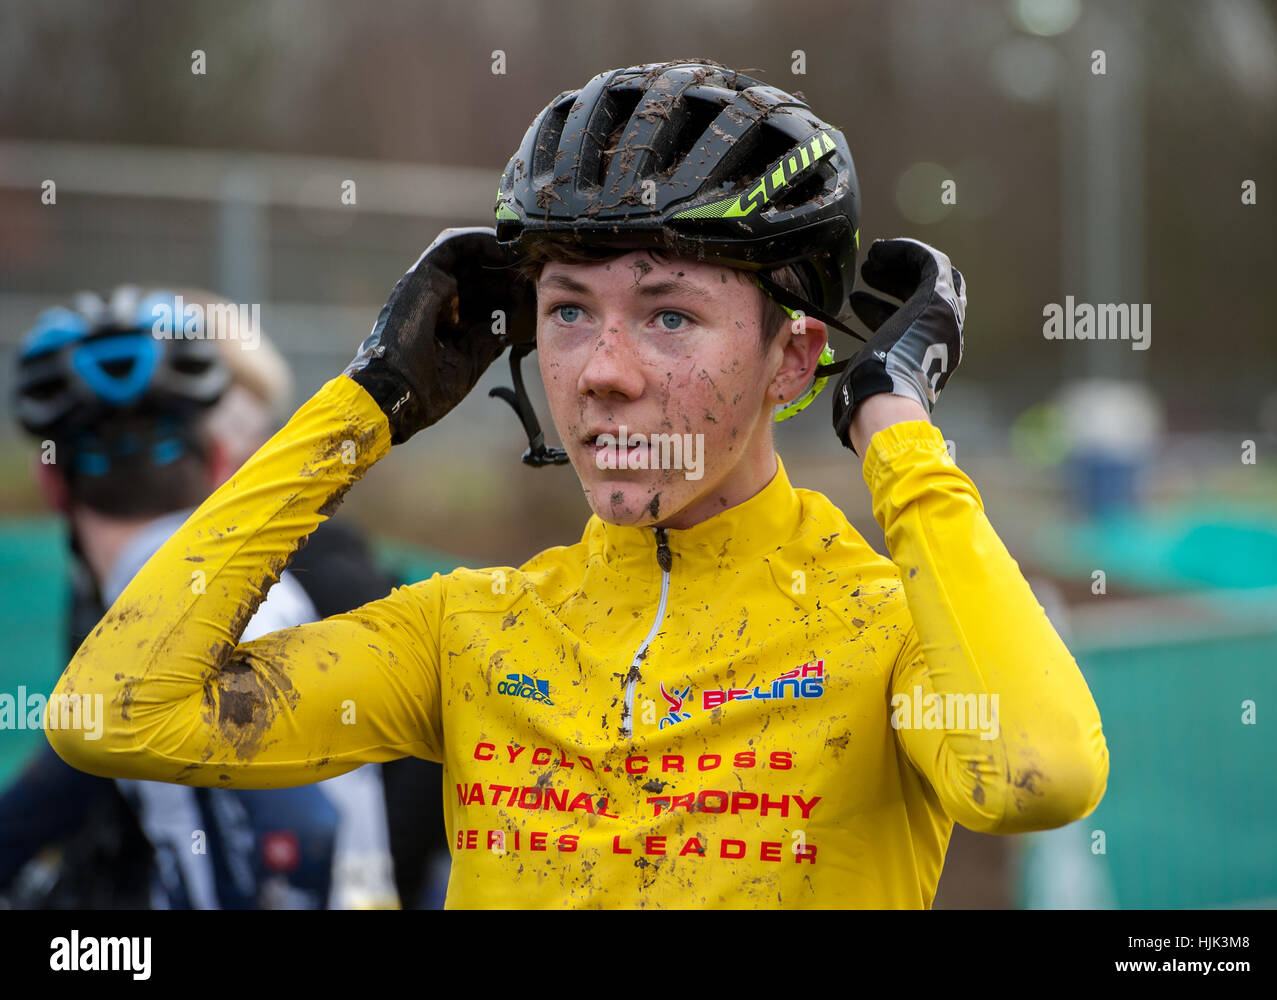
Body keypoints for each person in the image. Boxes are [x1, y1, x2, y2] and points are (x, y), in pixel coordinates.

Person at [45, 60, 1109, 908]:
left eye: (669, 314)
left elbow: (1040, 772)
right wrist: (368, 402)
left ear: (791, 361)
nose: (602, 371)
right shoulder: (468, 632)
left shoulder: (886, 630)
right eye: (567, 310)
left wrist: (893, 418)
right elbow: (112, 713)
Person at [7, 286, 341, 908]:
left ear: (51, 484)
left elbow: (303, 831)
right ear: (219, 462)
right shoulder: (239, 589)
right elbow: (55, 792)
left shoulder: (160, 624)